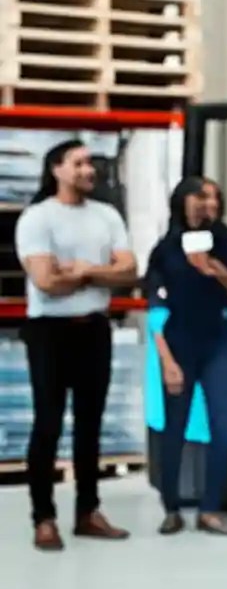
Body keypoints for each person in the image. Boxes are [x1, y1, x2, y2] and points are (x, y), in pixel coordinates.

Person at [15, 138, 138, 551]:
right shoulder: (37, 218)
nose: (89, 170)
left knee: (90, 426)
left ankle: (88, 512)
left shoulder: (107, 216)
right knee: (47, 425)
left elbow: (130, 273)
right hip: (49, 332)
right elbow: (45, 282)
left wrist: (83, 270)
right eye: (80, 163)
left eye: (90, 163)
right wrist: (97, 273)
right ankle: (43, 518)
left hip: (94, 329)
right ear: (57, 169)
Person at [145, 176, 227, 536]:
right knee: (177, 426)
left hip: (216, 340)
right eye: (202, 196)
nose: (210, 204)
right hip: (178, 342)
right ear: (184, 200)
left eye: (216, 198)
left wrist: (215, 270)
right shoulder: (165, 250)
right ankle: (171, 507)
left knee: (223, 424)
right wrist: (167, 361)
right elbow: (154, 309)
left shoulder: (225, 244)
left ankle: (210, 509)